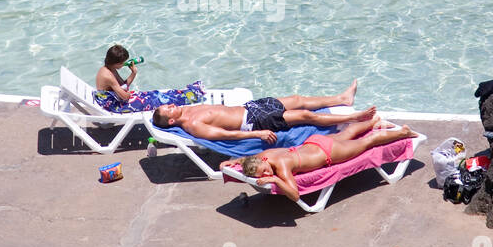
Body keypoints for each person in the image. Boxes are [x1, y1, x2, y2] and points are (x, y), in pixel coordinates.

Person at [224, 117, 415, 203]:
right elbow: (246, 160)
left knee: (367, 142)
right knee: (348, 132)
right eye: (263, 175)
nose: (267, 174)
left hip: (329, 152)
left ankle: (402, 132)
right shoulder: (263, 158)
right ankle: (373, 121)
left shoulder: (281, 166)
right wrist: (230, 163)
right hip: (314, 143)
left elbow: (295, 195)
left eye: (265, 170)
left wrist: (275, 180)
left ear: (264, 162)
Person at [152, 81, 366, 143]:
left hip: (251, 107)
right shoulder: (193, 125)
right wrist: (257, 134)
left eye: (169, 104)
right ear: (171, 121)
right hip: (255, 122)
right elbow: (227, 135)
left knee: (297, 99)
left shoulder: (187, 109)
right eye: (169, 108)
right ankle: (353, 118)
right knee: (305, 116)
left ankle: (341, 99)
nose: (172, 105)